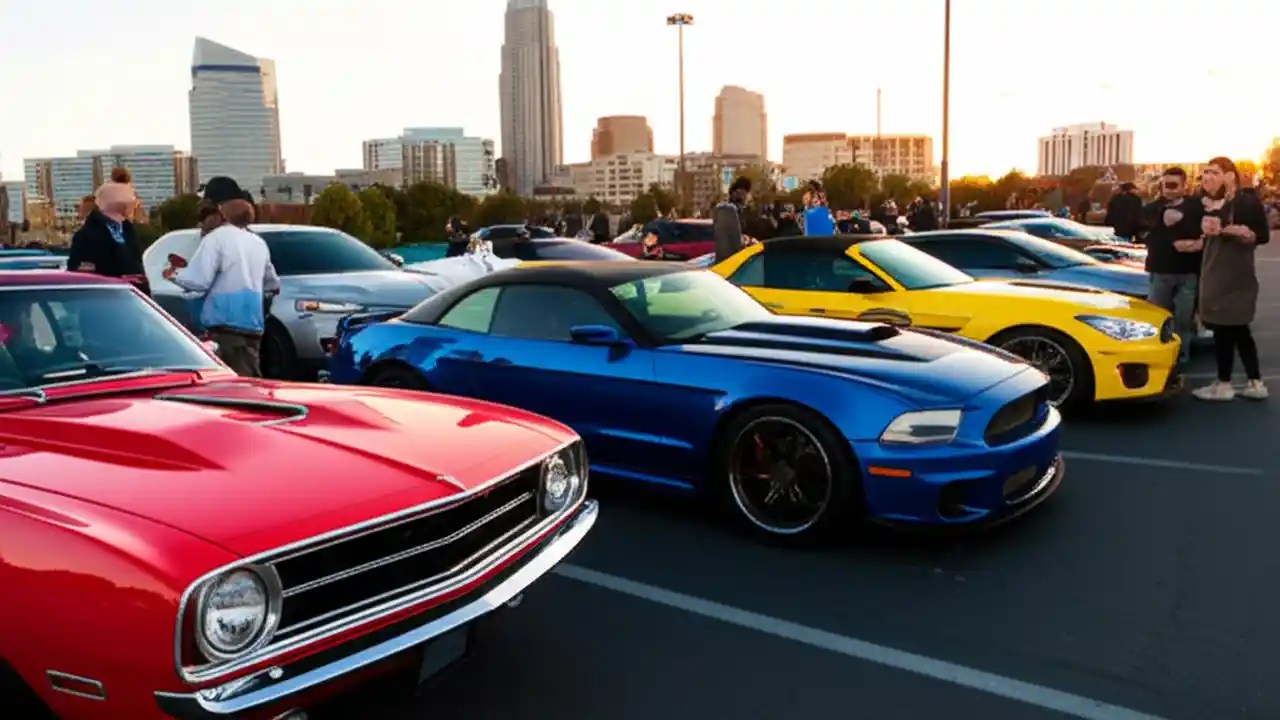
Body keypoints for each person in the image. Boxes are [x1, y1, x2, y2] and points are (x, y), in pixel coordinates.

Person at [164, 177, 279, 377]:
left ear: (221, 211)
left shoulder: (216, 239)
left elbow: (198, 281)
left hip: (224, 325)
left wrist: (173, 274)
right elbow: (272, 283)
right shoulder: (258, 242)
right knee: (250, 372)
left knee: (231, 381)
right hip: (253, 324)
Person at [1190, 157, 1271, 401]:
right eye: (1205, 172)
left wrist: (1238, 232)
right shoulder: (1205, 202)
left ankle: (1228, 383)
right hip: (1215, 272)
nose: (1207, 177)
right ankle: (1250, 382)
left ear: (1230, 175)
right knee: (1232, 330)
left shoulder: (1244, 202)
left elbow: (1261, 235)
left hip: (1234, 276)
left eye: (1214, 172)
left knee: (1231, 328)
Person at [1141, 167, 1203, 366]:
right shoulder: (1152, 208)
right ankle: (1158, 359)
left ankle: (1181, 358)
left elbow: (1204, 230)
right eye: (1165, 184)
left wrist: (1197, 243)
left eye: (1174, 185)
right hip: (1161, 270)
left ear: (1184, 186)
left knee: (1184, 320)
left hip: (1188, 271)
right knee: (1157, 318)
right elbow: (1143, 232)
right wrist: (1173, 241)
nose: (1168, 189)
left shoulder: (1195, 206)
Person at [67, 182, 149, 294]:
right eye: (131, 198)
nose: (135, 203)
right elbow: (83, 277)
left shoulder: (128, 231)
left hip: (132, 299)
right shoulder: (88, 236)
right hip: (105, 299)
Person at [713, 176, 751, 262]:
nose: (745, 196)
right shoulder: (731, 210)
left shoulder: (721, 209)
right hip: (734, 259)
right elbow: (736, 240)